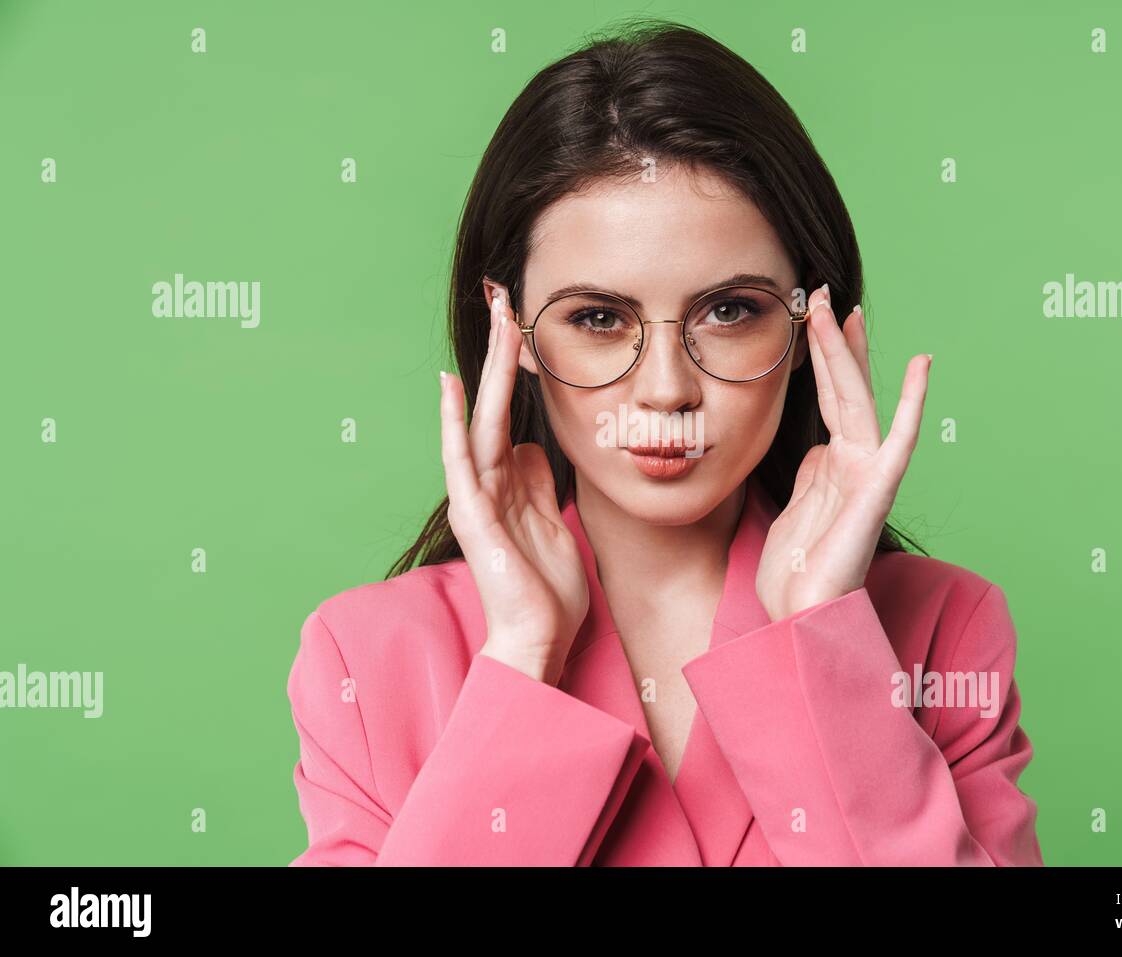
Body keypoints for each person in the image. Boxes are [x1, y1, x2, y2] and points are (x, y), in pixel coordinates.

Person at [286, 18, 1043, 866]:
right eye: (598, 318)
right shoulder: (366, 658)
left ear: (810, 324)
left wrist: (820, 636)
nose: (666, 389)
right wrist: (524, 656)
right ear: (515, 331)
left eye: (730, 310)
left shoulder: (945, 630)